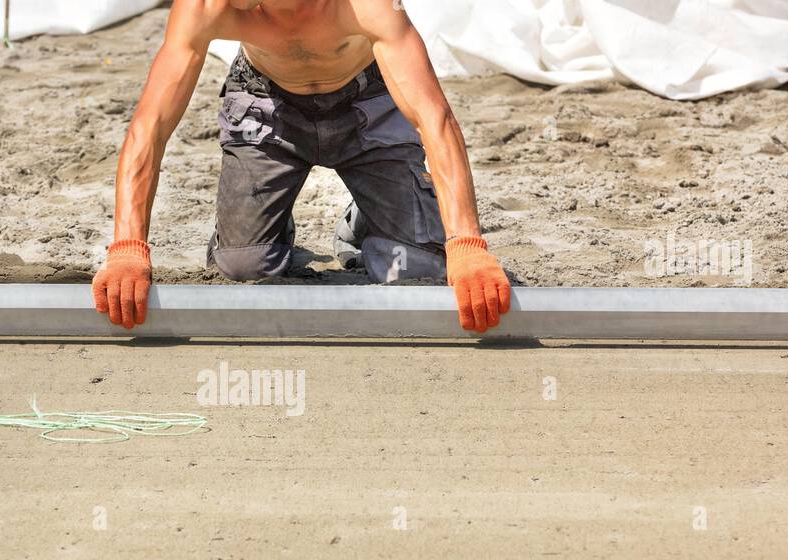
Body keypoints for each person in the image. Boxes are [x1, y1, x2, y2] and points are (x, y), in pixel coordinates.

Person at [92, 0, 511, 334]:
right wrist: (128, 248)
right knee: (244, 266)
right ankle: (271, 222)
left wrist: (466, 243)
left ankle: (365, 219)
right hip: (265, 104)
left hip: (366, 100)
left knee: (414, 267)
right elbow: (150, 125)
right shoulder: (207, 5)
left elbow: (433, 117)